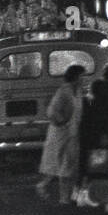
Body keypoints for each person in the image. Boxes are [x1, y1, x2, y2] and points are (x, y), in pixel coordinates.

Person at [74, 65, 108, 208]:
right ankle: (102, 196)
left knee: (93, 167)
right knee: (105, 168)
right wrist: (106, 135)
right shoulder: (107, 91)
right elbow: (107, 115)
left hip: (99, 135)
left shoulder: (98, 89)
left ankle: (82, 194)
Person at [35, 64, 86, 204]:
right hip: (62, 134)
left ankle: (46, 187)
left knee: (65, 164)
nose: (84, 79)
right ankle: (64, 198)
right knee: (64, 164)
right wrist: (62, 121)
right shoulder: (64, 92)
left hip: (73, 133)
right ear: (75, 77)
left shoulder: (78, 92)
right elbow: (52, 111)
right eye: (82, 76)